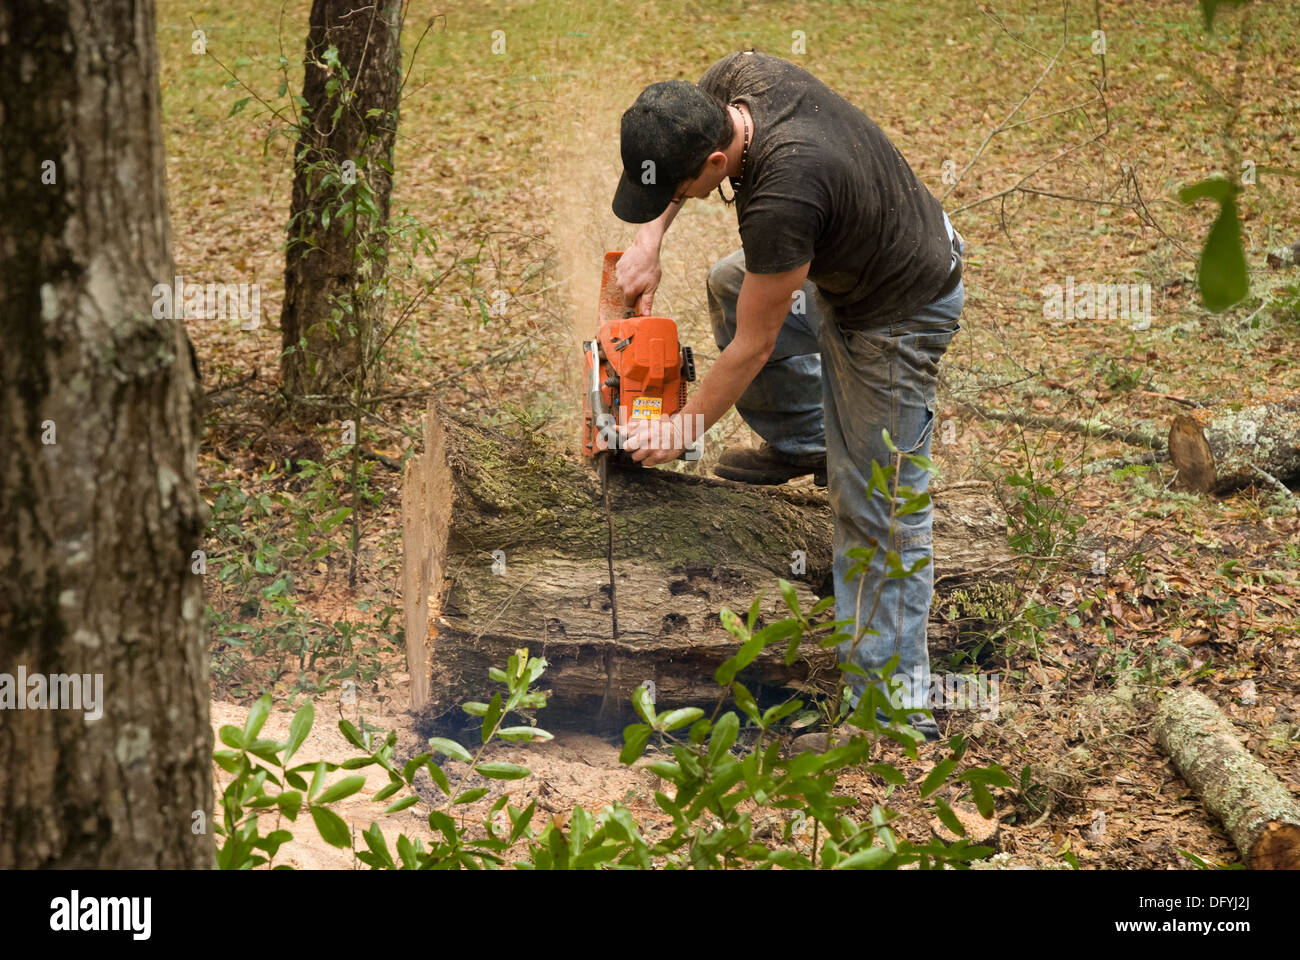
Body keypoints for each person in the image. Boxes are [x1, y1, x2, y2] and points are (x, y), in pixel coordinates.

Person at [612, 51, 965, 741]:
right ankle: (810, 442)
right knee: (726, 278)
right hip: (844, 256)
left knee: (879, 512)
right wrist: (650, 238)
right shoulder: (734, 82)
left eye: (677, 189)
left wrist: (682, 431)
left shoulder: (781, 193)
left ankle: (892, 716)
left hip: (896, 307)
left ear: (717, 163)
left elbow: (753, 346)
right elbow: (685, 195)